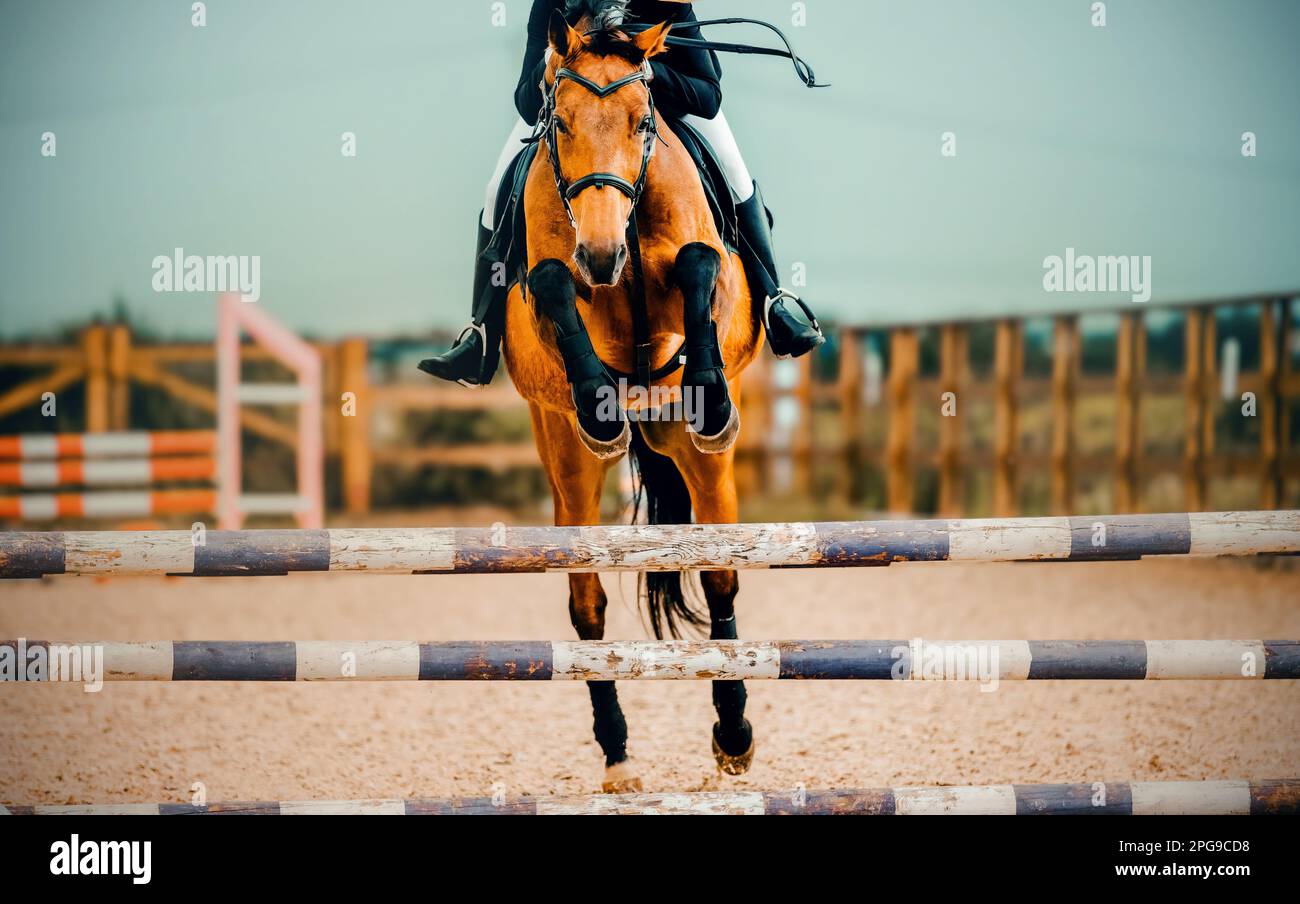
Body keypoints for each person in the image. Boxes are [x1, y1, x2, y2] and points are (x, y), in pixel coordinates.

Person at [420, 0, 823, 386]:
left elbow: (708, 95)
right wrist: (550, 65)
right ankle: (481, 334)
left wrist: (650, 73)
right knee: (496, 190)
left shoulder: (668, 1)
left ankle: (774, 303)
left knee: (736, 173)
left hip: (651, 112)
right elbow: (527, 105)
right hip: (577, 116)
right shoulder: (552, 5)